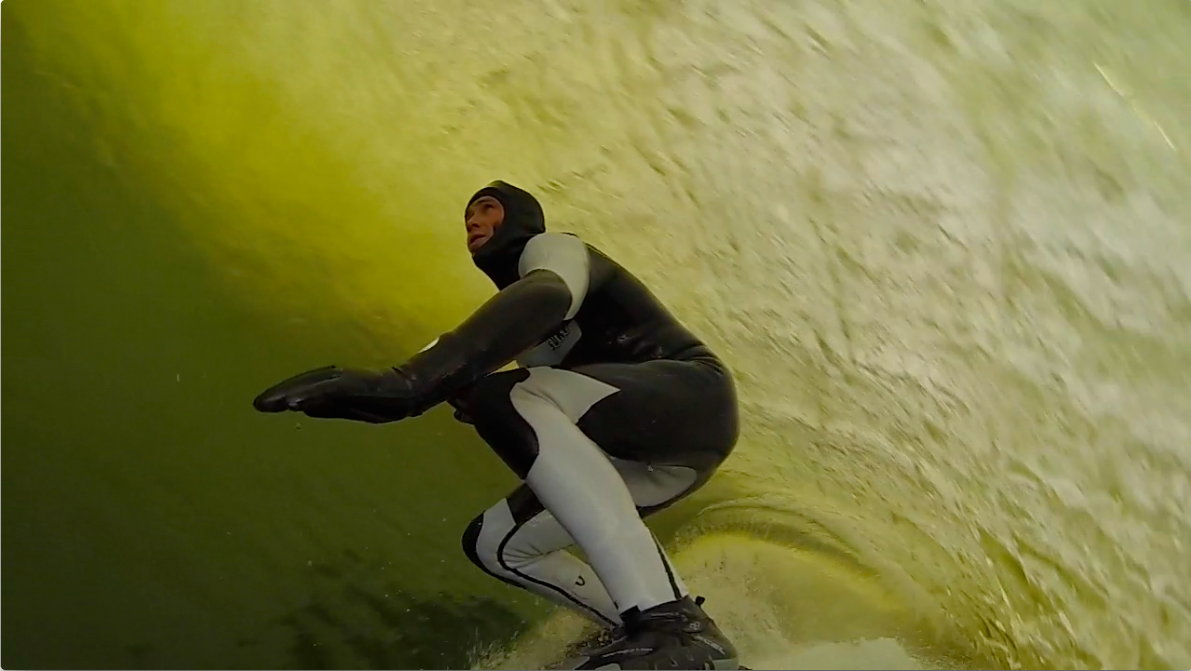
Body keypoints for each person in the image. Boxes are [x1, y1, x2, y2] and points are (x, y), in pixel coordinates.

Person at [253, 181, 743, 670]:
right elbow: (464, 357)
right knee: (499, 545)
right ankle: (642, 628)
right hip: (648, 453)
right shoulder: (524, 333)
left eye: (487, 209)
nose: (472, 221)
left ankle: (672, 627)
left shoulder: (555, 250)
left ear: (522, 220)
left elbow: (548, 293)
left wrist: (408, 384)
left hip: (695, 398)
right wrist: (428, 383)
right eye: (468, 215)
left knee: (510, 395)